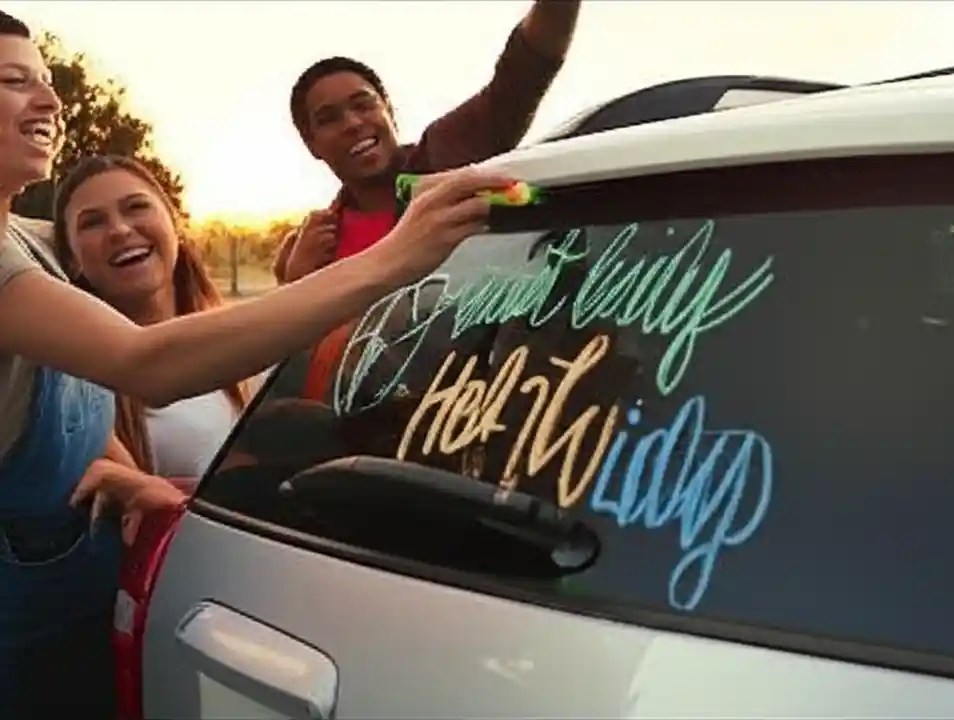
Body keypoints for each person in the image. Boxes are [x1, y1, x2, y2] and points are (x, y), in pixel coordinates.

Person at [0, 10, 514, 716]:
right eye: (11, 81)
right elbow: (145, 362)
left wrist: (141, 486)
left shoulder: (25, 240)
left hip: (89, 618)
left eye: (46, 80)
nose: (51, 101)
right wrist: (392, 257)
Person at [273, 0, 580, 285]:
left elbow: (523, 75)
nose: (353, 123)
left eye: (363, 105)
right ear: (310, 144)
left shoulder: (443, 158)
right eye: (329, 119)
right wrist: (294, 285)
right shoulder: (316, 246)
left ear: (389, 111)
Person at [52, 154, 260, 487]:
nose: (119, 230)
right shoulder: (74, 390)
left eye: (136, 207)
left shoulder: (242, 345)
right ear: (72, 261)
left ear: (175, 224)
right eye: (92, 223)